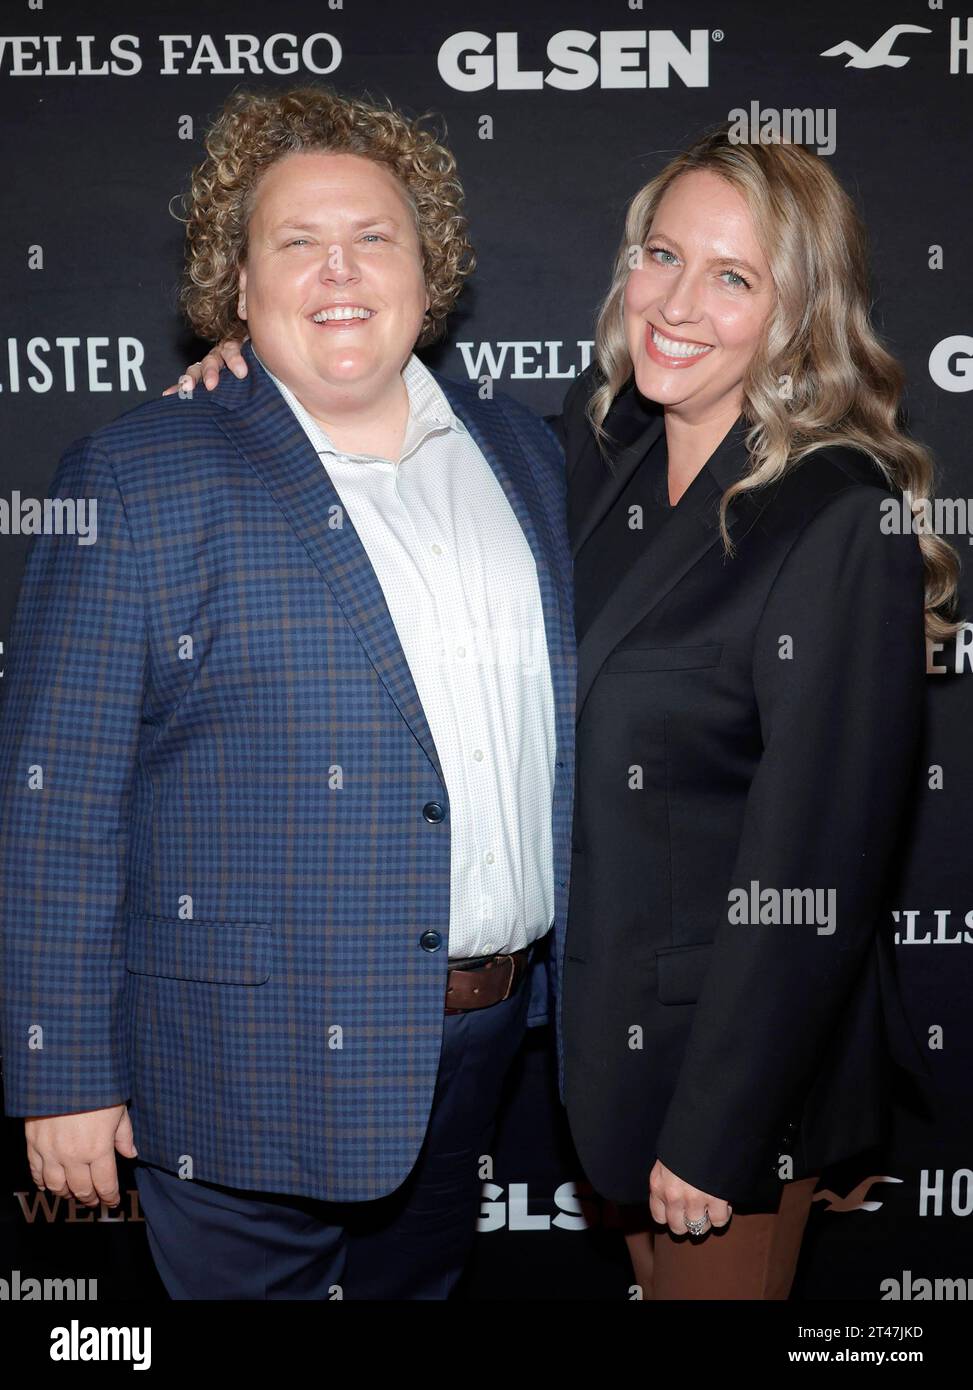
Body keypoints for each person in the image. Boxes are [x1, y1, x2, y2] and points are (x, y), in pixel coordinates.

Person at [174, 122, 958, 1301]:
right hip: (608, 1054)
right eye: (660, 254)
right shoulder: (597, 457)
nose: (677, 301)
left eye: (733, 276)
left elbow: (820, 871)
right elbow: (392, 433)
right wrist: (248, 378)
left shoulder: (835, 516)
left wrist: (721, 1127)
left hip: (735, 1079)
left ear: (797, 313)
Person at [0, 84, 576, 1300]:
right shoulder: (138, 474)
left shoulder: (528, 455)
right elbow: (57, 803)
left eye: (374, 237)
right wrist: (59, 1075)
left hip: (484, 1041)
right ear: (238, 286)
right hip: (237, 1058)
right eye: (296, 243)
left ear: (433, 271)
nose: (340, 270)